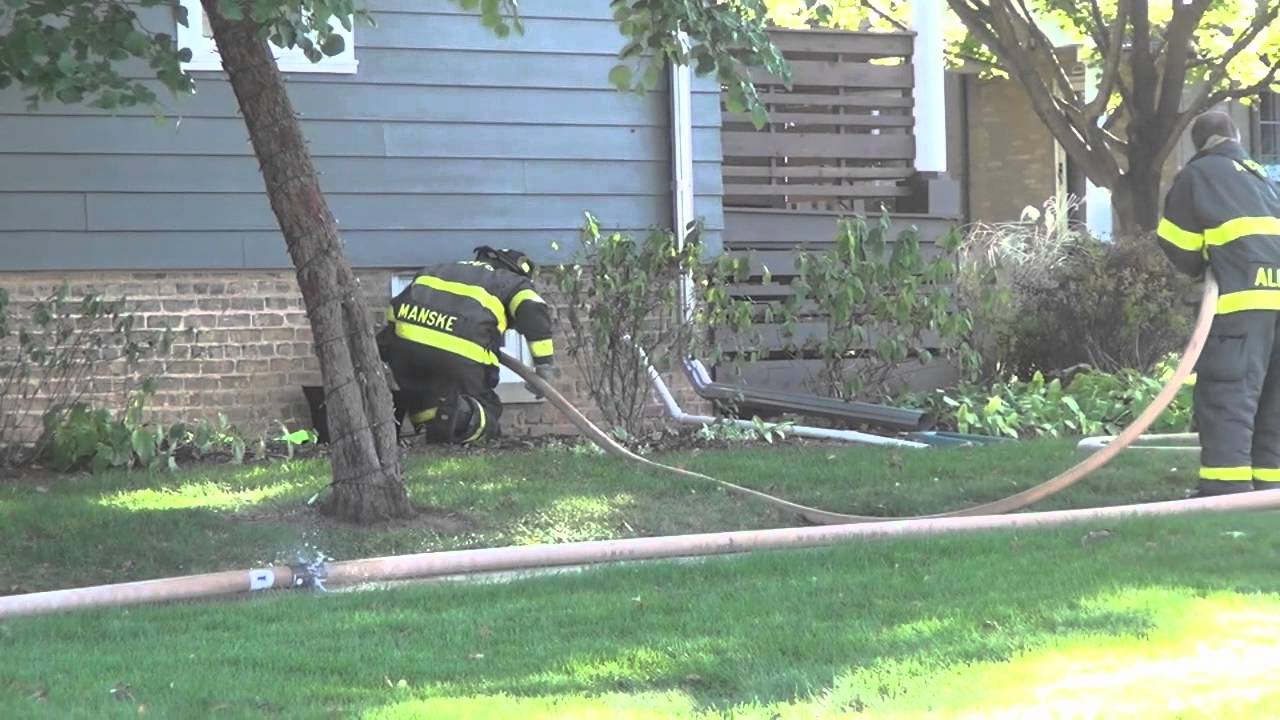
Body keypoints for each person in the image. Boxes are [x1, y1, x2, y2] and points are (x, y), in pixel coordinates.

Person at [1157, 110, 1280, 496]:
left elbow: (1179, 247)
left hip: (1240, 307)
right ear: (1235, 136)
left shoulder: (1199, 175)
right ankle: (1269, 493)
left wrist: (1203, 261)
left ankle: (1224, 497)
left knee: (1228, 397)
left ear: (1200, 144)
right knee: (1271, 405)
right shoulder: (1264, 179)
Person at [377, 246, 559, 445]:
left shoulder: (438, 269)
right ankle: (461, 434)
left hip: (405, 350)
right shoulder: (511, 280)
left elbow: (395, 310)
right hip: (459, 355)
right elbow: (532, 308)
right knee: (484, 408)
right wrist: (544, 365)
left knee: (422, 399)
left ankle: (424, 435)